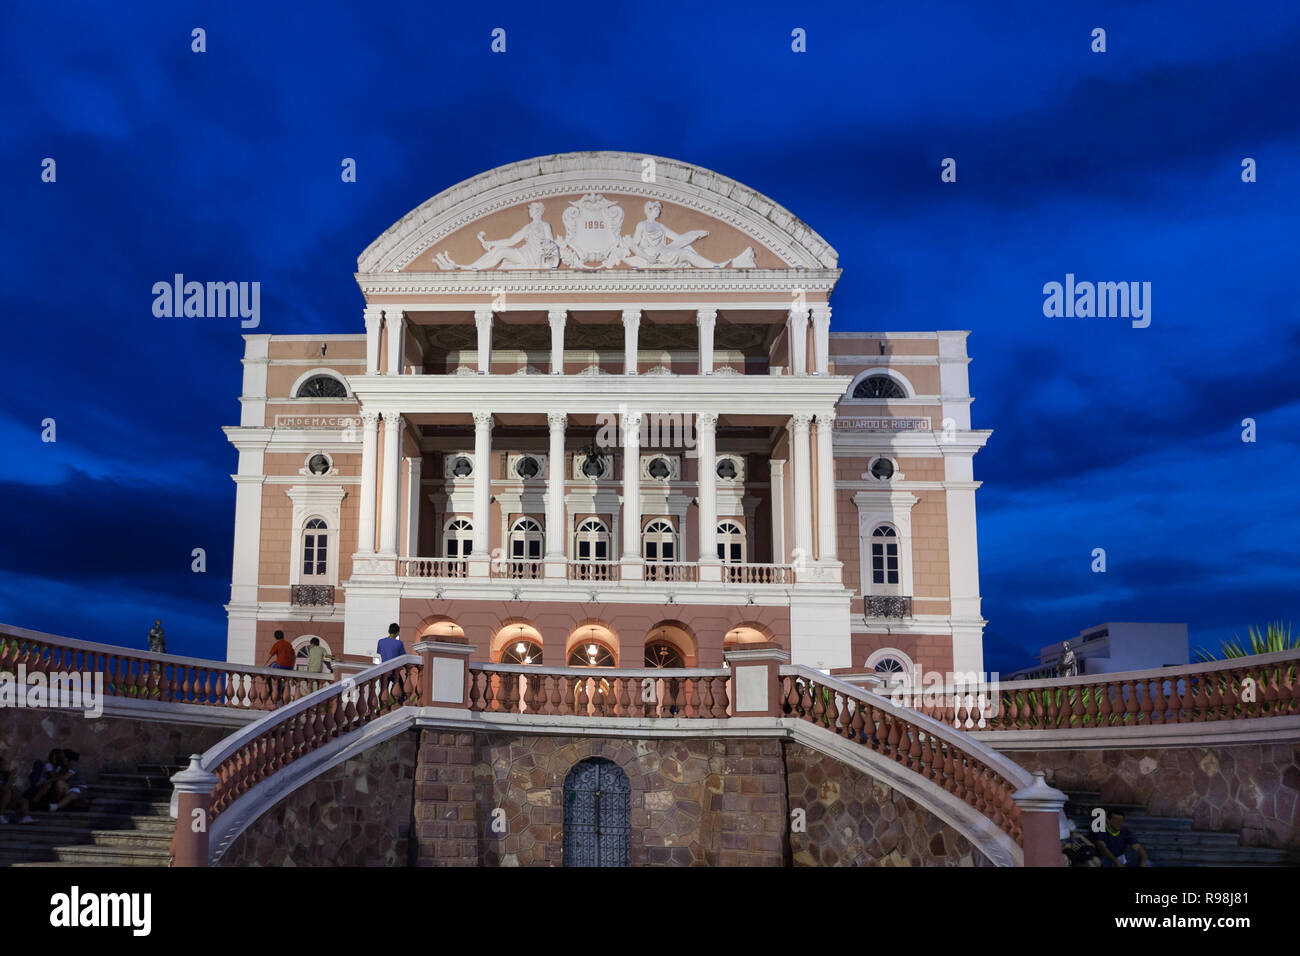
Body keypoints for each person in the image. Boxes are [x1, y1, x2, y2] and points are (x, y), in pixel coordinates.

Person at [0, 754, 36, 824]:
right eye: (3, 764)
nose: (5, 765)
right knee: (7, 792)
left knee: (24, 800)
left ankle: (26, 817)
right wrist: (10, 778)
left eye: (5, 763)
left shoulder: (5, 774)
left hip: (9, 800)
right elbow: (4, 789)